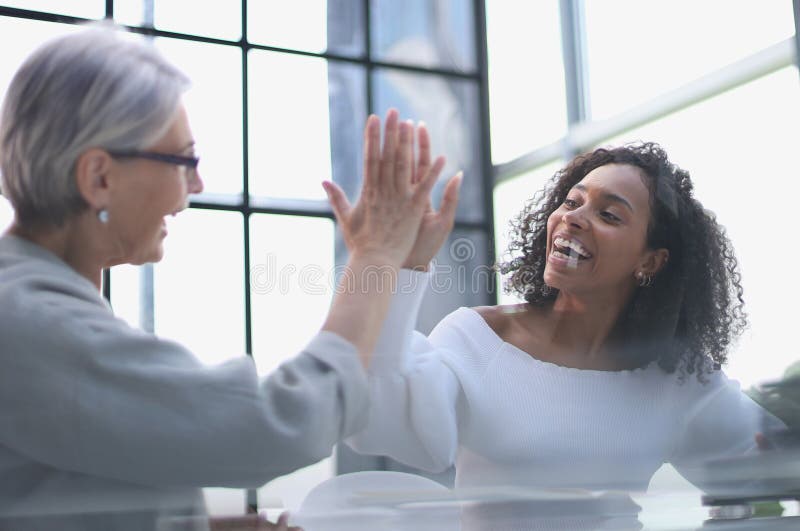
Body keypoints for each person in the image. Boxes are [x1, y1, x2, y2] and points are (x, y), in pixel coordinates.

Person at [0, 23, 462, 531]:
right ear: (99, 178)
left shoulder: (34, 309)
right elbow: (276, 426)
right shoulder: (29, 322)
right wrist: (375, 257)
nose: (197, 184)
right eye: (183, 160)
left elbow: (58, 491)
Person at [346, 142, 785, 528]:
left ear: (650, 261)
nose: (573, 218)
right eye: (572, 202)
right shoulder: (476, 339)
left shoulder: (673, 376)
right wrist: (399, 264)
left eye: (608, 214)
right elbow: (382, 422)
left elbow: (771, 464)